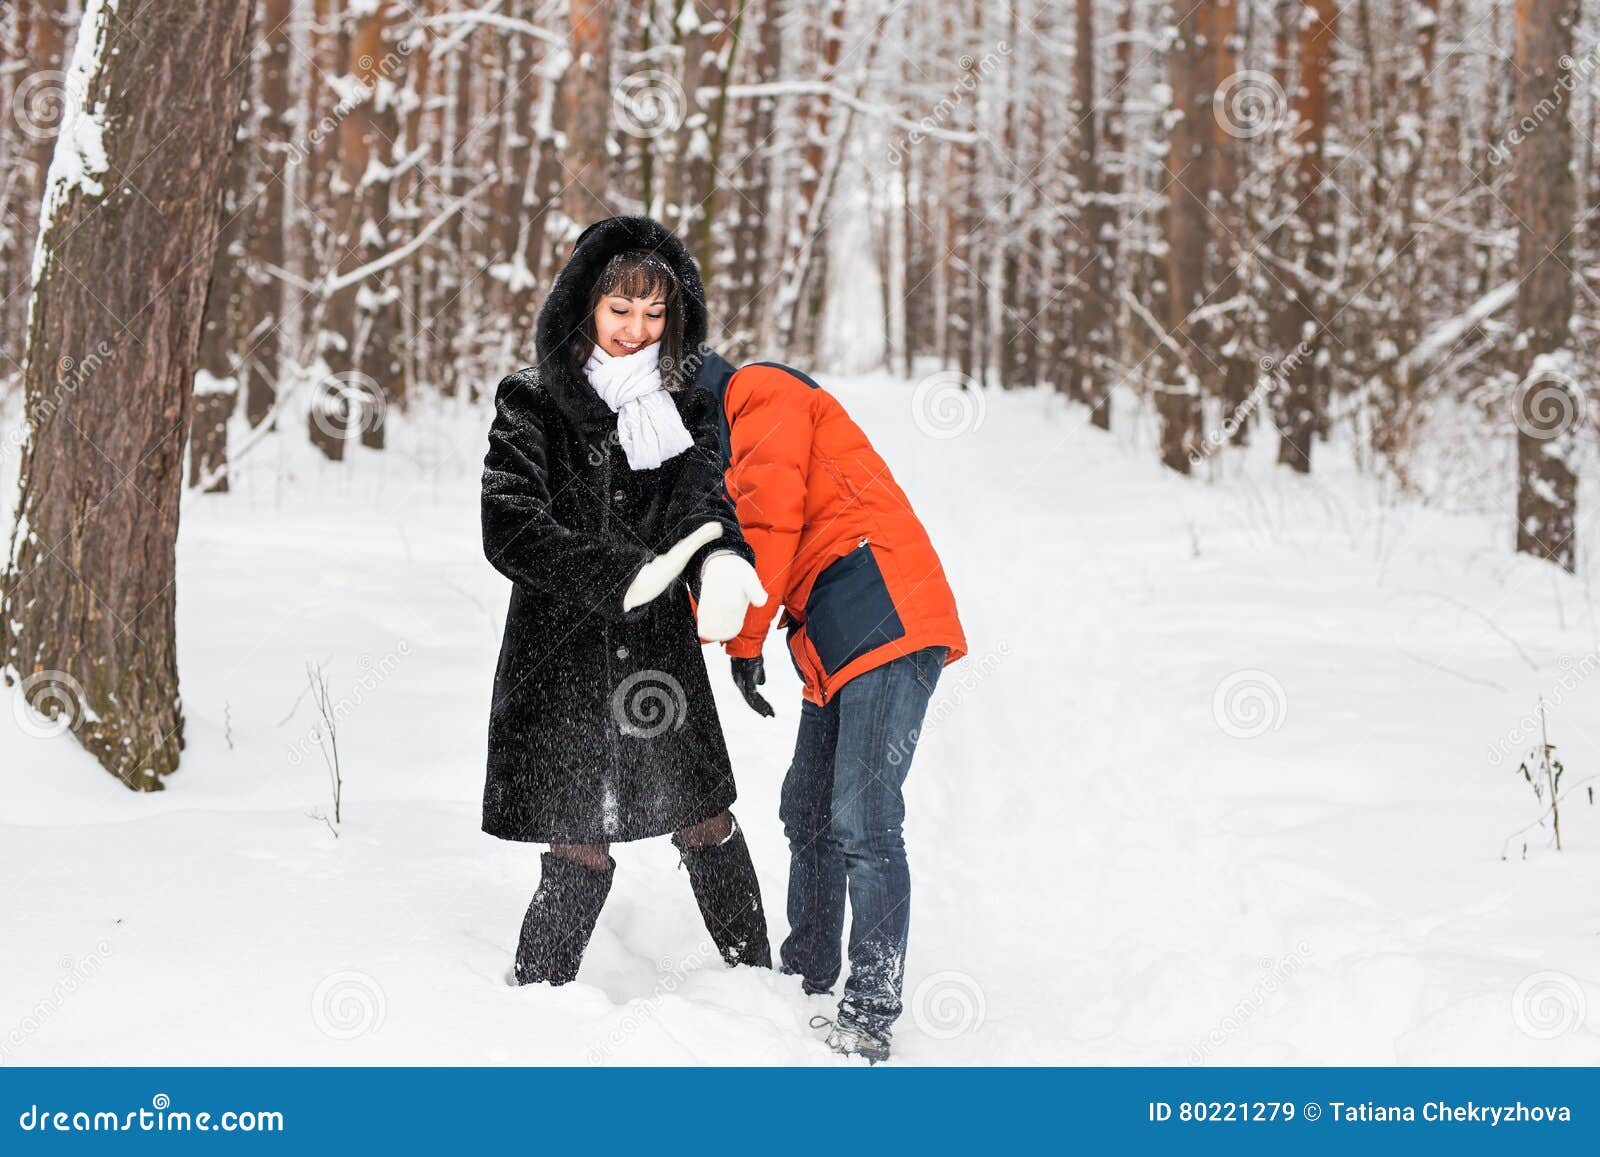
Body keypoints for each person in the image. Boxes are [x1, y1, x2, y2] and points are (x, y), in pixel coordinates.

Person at [480, 218, 772, 987]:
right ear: (584, 305)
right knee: (578, 841)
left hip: (656, 659)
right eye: (620, 310)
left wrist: (722, 560)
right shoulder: (533, 401)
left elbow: (700, 507)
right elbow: (509, 527)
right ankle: (534, 1006)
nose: (637, 331)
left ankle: (758, 986)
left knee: (704, 818)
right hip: (559, 656)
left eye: (655, 315)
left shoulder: (687, 408)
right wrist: (619, 575)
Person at [695, 351, 967, 1061]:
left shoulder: (761, 391)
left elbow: (768, 525)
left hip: (882, 611)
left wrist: (744, 642)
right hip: (838, 631)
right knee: (807, 809)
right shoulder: (734, 432)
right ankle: (809, 977)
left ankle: (870, 1010)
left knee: (864, 816)